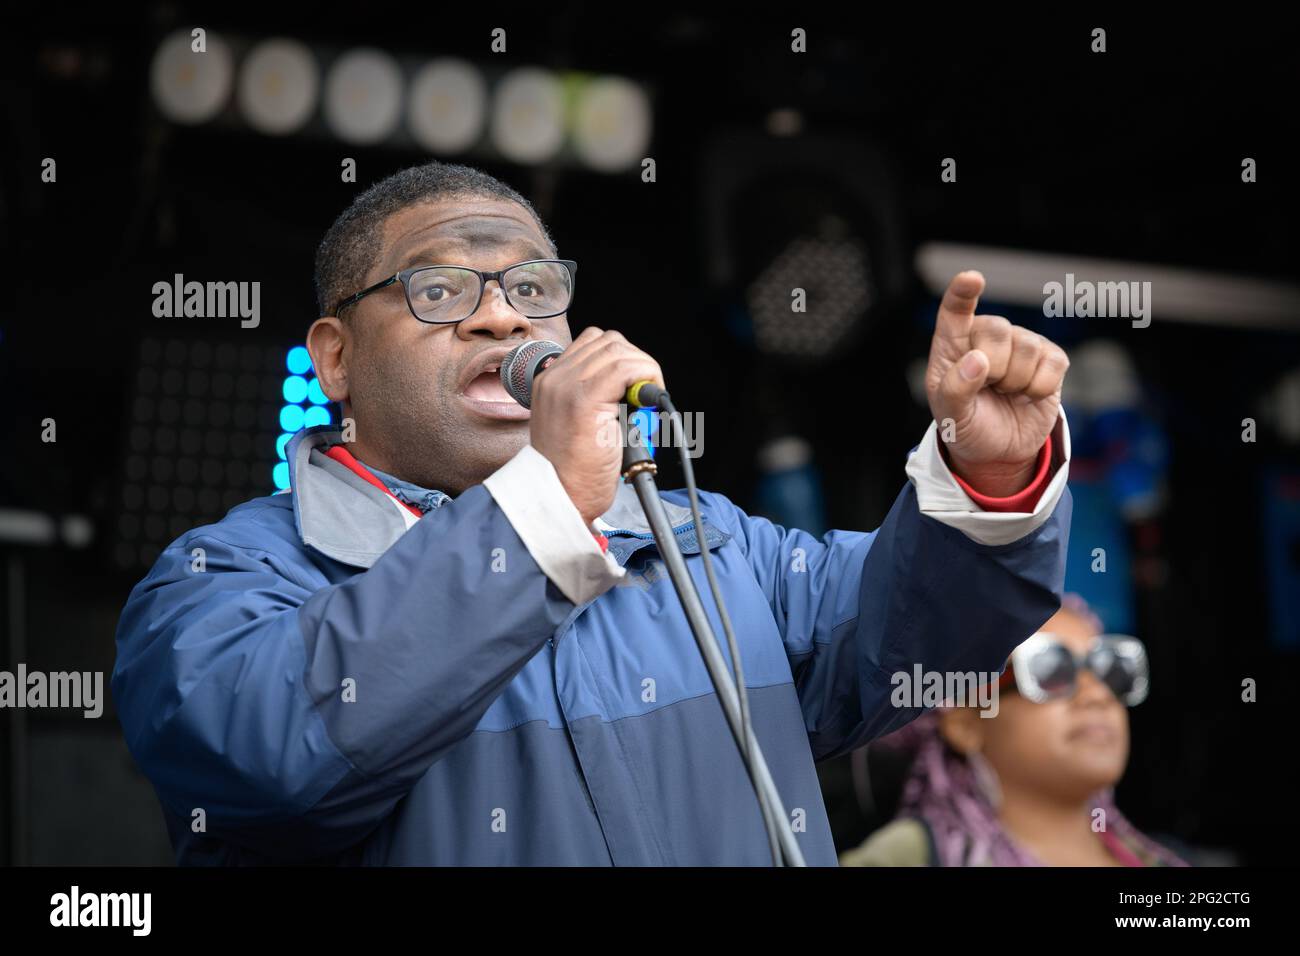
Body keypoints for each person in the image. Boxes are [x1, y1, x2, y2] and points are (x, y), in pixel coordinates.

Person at [112, 160, 1074, 865]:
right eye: (440, 290)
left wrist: (988, 471)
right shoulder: (227, 580)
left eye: (533, 288)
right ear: (334, 359)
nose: (503, 319)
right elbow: (270, 759)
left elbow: (919, 640)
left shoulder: (711, 545)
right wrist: (544, 509)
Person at [839, 596, 1187, 866]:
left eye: (1109, 669)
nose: (1097, 695)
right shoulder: (909, 856)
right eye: (1051, 668)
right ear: (966, 724)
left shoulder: (1157, 858)